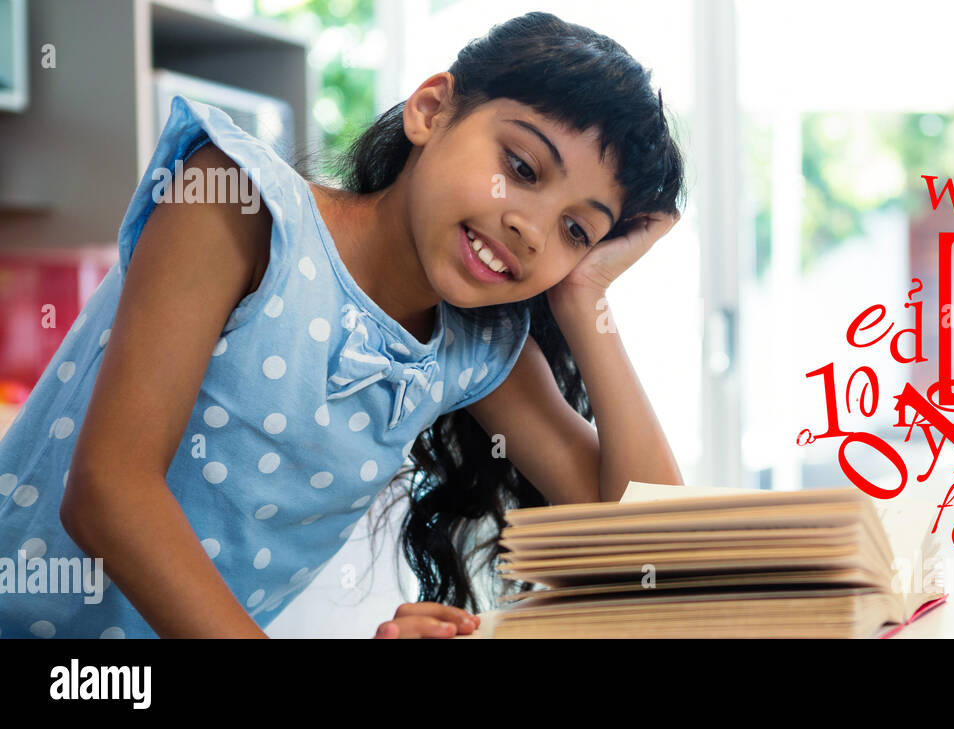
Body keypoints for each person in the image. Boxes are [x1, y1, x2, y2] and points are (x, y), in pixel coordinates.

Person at [0, 11, 686, 639]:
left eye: (575, 229)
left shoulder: (471, 347)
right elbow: (106, 491)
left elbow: (651, 554)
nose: (531, 230)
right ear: (431, 110)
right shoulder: (238, 201)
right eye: (521, 167)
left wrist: (585, 298)